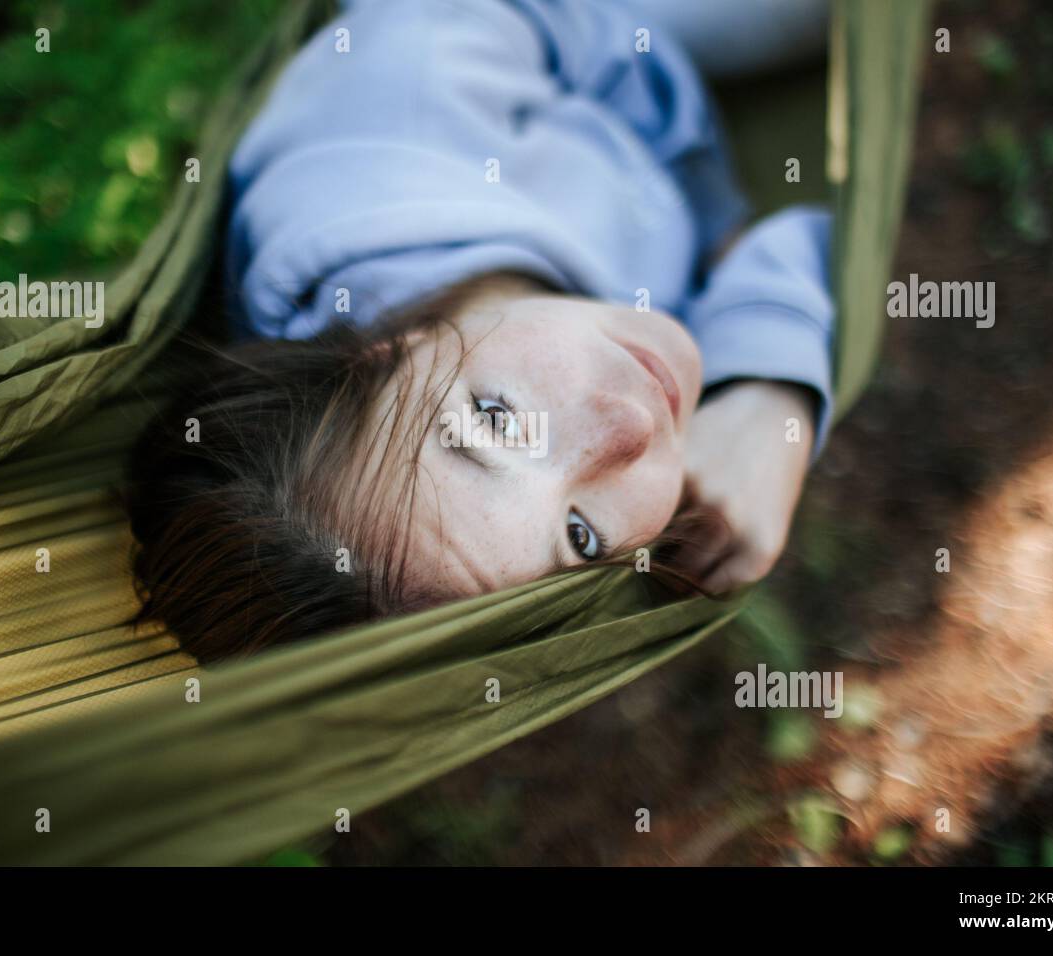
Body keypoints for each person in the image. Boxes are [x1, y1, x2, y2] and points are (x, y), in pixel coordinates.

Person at [128, 0, 835, 663]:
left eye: (497, 421)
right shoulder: (593, 366)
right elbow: (820, 245)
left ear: (390, 351)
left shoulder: (402, 112)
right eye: (579, 535)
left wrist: (710, 196)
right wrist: (768, 393)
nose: (629, 428)